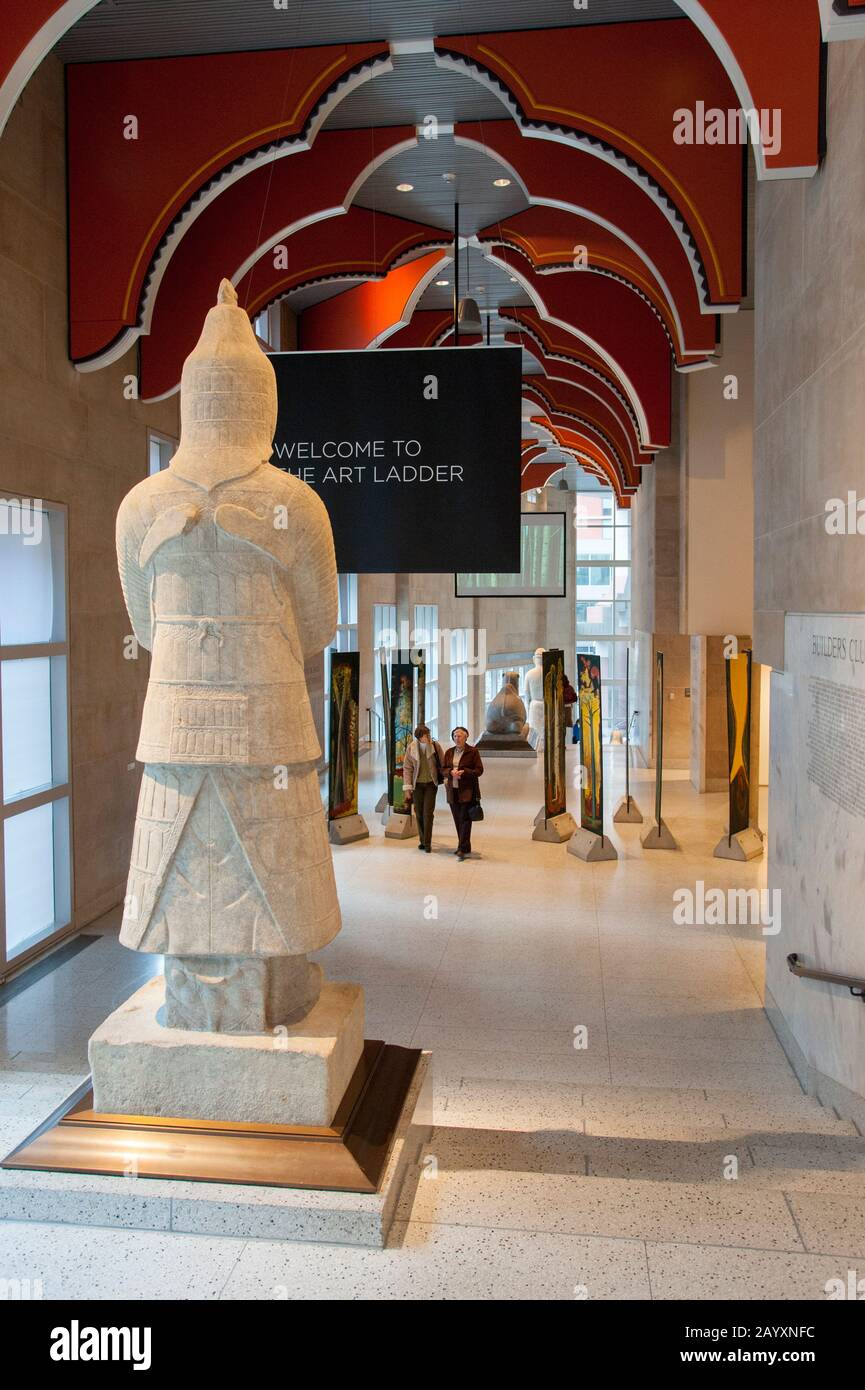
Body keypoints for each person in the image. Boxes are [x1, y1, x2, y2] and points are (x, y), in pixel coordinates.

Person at [442, 726, 484, 861]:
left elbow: (479, 770)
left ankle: (461, 847)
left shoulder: (473, 752)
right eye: (455, 736)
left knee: (465, 819)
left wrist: (464, 772)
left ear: (466, 737)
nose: (457, 738)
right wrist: (450, 772)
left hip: (467, 791)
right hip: (452, 790)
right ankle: (465, 846)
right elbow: (443, 769)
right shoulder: (449, 752)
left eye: (459, 736)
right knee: (457, 819)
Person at [402, 724, 444, 852]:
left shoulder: (435, 746)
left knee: (428, 813)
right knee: (419, 813)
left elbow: (443, 763)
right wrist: (408, 788)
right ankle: (422, 840)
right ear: (420, 737)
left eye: (429, 734)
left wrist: (447, 779)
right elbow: (407, 768)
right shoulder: (412, 748)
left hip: (431, 784)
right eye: (426, 735)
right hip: (417, 786)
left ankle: (427, 843)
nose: (429, 737)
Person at [563, 672, 580, 746]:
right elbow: (575, 698)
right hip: (567, 707)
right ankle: (568, 742)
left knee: (567, 725)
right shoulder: (570, 688)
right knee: (567, 725)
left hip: (566, 707)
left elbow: (575, 698)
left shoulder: (567, 688)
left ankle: (567, 742)